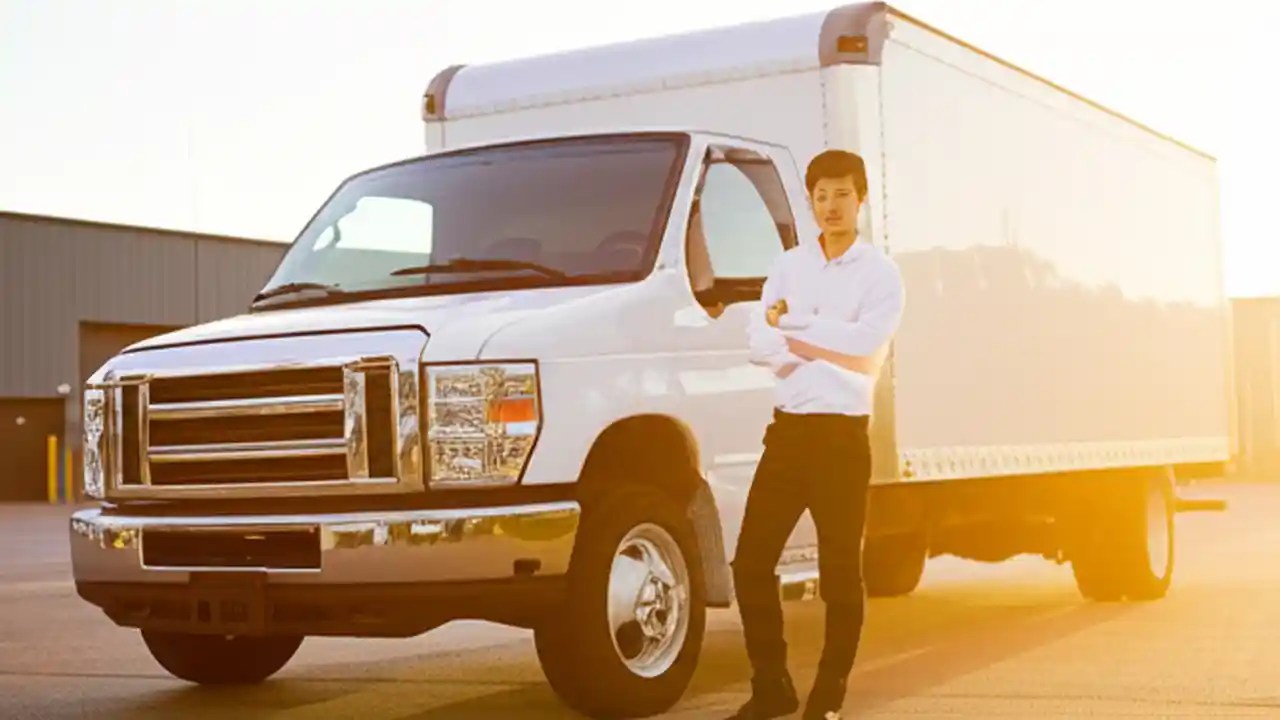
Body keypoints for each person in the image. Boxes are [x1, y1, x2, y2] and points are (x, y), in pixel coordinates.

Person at [727, 149, 905, 720]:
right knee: (750, 565)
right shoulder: (789, 266)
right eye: (821, 195)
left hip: (841, 441)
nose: (832, 206)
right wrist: (814, 340)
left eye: (843, 195)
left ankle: (828, 695)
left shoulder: (880, 274)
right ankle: (771, 686)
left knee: (838, 575)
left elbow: (865, 347)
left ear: (862, 199)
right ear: (810, 201)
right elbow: (758, 344)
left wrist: (793, 328)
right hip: (788, 436)